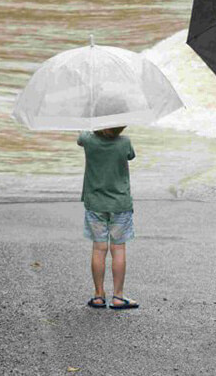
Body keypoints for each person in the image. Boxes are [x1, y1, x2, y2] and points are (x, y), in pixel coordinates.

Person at [78, 126, 139, 310]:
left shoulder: (88, 140)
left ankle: (98, 296)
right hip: (119, 204)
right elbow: (131, 156)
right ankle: (118, 297)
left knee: (99, 249)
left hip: (95, 204)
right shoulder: (124, 142)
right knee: (118, 249)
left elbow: (80, 138)